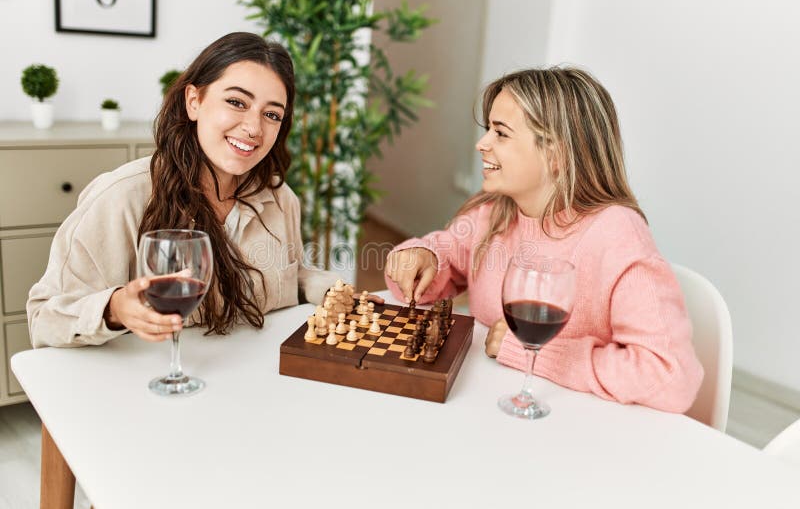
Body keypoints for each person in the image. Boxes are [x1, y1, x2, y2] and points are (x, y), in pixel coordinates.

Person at [385, 67, 704, 413]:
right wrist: (423, 255)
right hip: (492, 411)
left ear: (555, 154)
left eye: (501, 133)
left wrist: (540, 354)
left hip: (582, 433)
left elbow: (672, 378)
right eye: (488, 129)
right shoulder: (495, 212)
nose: (482, 143)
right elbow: (437, 266)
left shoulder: (617, 235)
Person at [27, 32, 343, 348]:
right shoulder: (122, 196)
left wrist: (331, 291)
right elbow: (43, 318)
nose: (254, 127)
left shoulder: (280, 198)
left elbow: (290, 273)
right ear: (194, 101)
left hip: (253, 380)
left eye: (272, 114)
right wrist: (115, 308)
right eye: (236, 102)